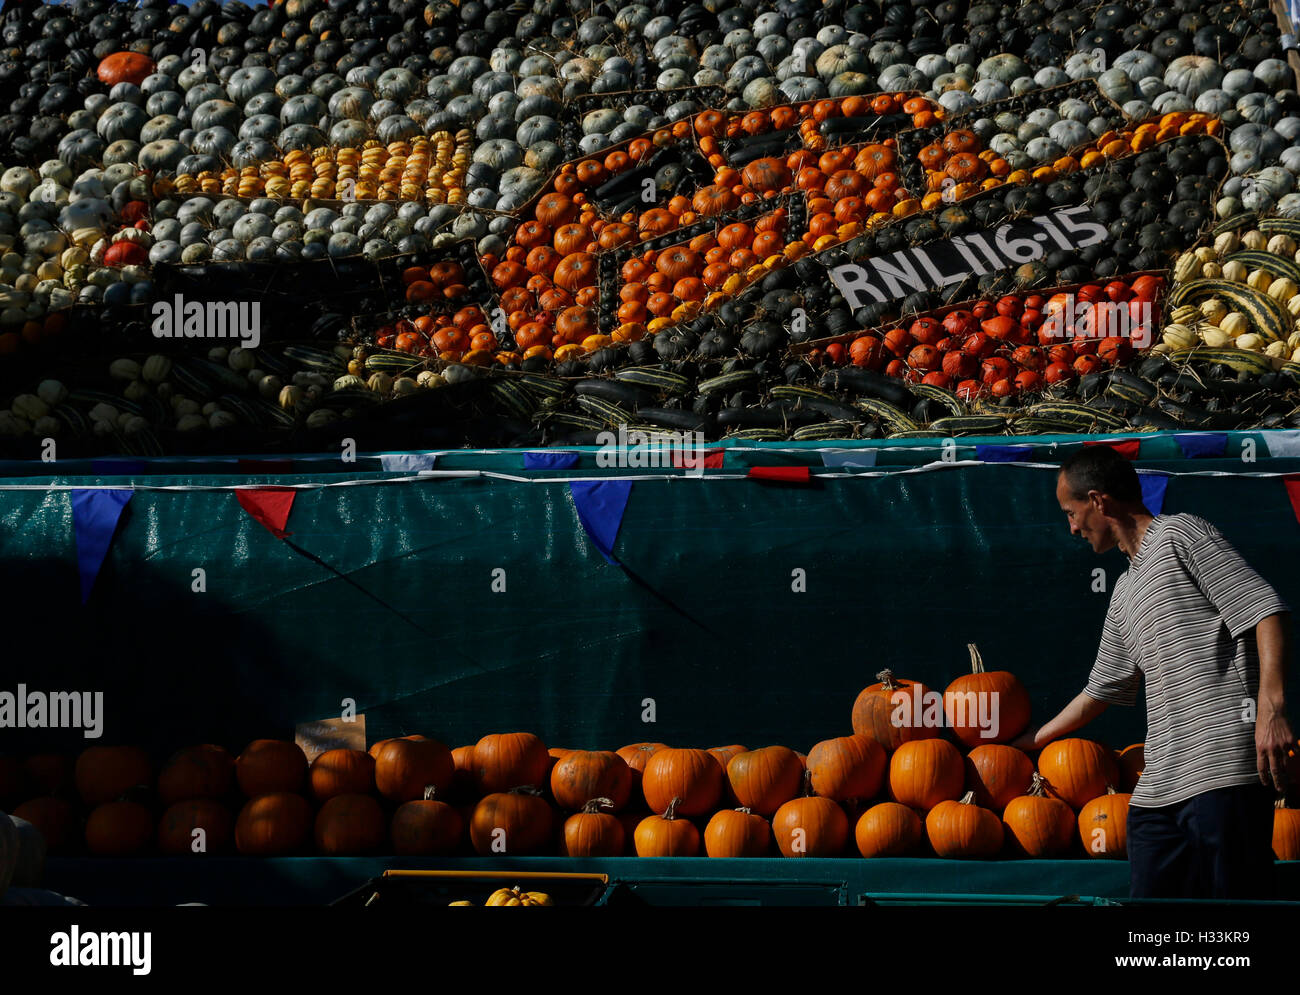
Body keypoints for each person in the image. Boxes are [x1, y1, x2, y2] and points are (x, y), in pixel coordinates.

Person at [1011, 445, 1293, 899]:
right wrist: (1032, 740)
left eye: (1071, 512)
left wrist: (1272, 710)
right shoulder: (1122, 591)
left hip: (1222, 772)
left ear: (1099, 501)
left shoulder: (1181, 534)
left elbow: (1264, 610)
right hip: (1157, 791)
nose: (1072, 528)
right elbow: (1098, 691)